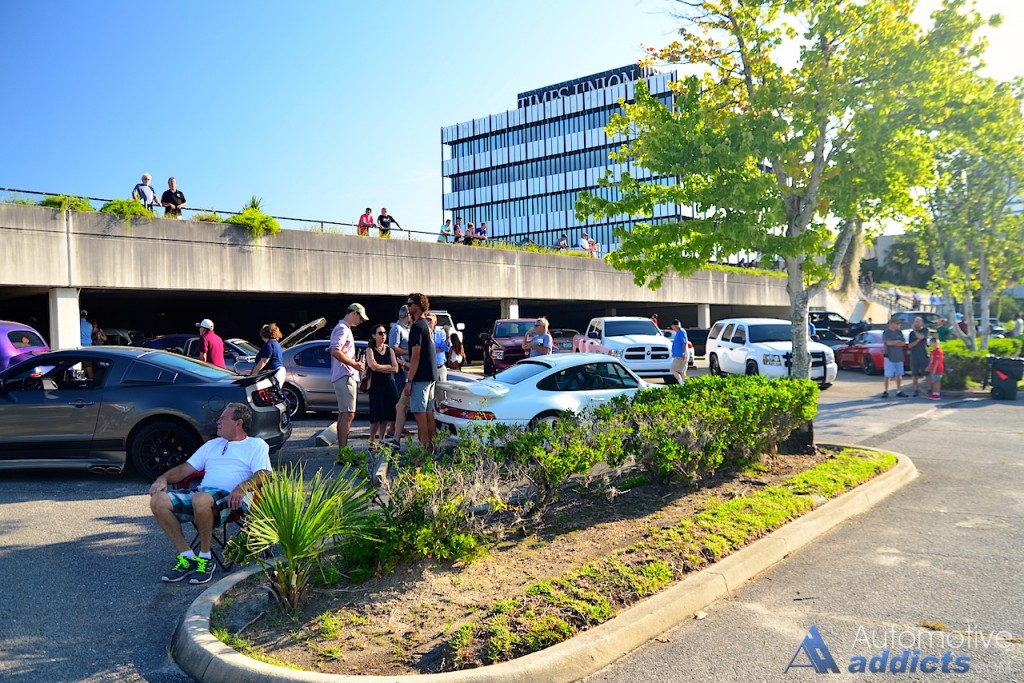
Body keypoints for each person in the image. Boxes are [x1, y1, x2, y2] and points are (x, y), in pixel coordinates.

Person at [149, 403, 271, 585]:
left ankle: (205, 558)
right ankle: (187, 556)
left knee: (201, 498)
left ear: (238, 423)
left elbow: (264, 473)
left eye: (223, 418)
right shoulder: (212, 445)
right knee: (158, 500)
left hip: (232, 499)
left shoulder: (256, 445)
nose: (218, 421)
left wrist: (242, 487)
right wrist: (163, 478)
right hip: (203, 495)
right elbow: (185, 469)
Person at [329, 303, 369, 449]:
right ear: (354, 313)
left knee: (344, 413)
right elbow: (335, 350)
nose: (361, 321)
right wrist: (354, 364)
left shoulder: (343, 328)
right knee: (348, 413)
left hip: (344, 375)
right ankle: (344, 452)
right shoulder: (342, 329)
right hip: (345, 375)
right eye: (361, 318)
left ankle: (343, 451)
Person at [403, 293, 437, 452]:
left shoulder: (416, 327)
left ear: (417, 305)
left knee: (419, 414)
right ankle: (432, 448)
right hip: (430, 375)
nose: (408, 307)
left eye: (410, 304)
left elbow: (415, 356)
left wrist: (409, 381)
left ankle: (423, 452)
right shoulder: (427, 326)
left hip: (420, 377)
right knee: (429, 413)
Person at [365, 323, 399, 448]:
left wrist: (382, 367)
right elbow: (372, 366)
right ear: (374, 335)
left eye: (384, 333)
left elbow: (395, 368)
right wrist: (387, 367)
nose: (383, 335)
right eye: (380, 333)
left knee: (387, 414)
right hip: (376, 384)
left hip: (389, 383)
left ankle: (382, 439)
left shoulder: (390, 350)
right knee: (376, 413)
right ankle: (372, 440)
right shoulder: (370, 350)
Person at [387, 305, 413, 444]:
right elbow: (393, 348)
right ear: (407, 315)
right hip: (401, 368)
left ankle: (399, 426)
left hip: (407, 366)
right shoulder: (397, 329)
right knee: (399, 398)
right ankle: (393, 428)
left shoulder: (407, 329)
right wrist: (410, 351)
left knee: (404, 399)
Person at [251, 323, 286, 388]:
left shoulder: (268, 345)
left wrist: (253, 374)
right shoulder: (276, 344)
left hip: (273, 372)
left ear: (263, 335)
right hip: (279, 371)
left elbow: (264, 361)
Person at [881, 316, 908, 399]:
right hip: (889, 356)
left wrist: (895, 343)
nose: (899, 325)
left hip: (899, 356)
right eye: (897, 323)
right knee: (888, 374)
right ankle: (886, 391)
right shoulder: (886, 333)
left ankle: (899, 391)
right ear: (892, 324)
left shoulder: (899, 332)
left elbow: (903, 343)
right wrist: (897, 342)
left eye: (899, 323)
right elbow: (888, 343)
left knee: (899, 374)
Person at [907, 316, 929, 397]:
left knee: (927, 373)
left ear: (922, 322)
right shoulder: (911, 333)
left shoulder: (925, 330)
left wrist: (917, 335)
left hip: (923, 354)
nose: (917, 323)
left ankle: (929, 389)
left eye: (918, 322)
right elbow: (910, 345)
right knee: (914, 373)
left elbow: (922, 337)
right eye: (915, 322)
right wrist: (918, 339)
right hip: (914, 355)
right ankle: (916, 390)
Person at [427, 312, 451, 383]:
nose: (428, 322)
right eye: (426, 320)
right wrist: (437, 349)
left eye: (430, 320)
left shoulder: (441, 333)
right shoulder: (423, 333)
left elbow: (446, 348)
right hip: (427, 369)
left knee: (441, 389)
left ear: (435, 322)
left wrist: (447, 333)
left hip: (439, 368)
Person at [669, 319, 689, 383]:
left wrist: (683, 353)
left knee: (673, 369)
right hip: (678, 355)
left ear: (675, 326)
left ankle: (681, 383)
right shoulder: (678, 332)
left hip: (680, 355)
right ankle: (686, 384)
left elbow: (684, 343)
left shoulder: (681, 332)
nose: (672, 327)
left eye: (672, 326)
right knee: (682, 372)